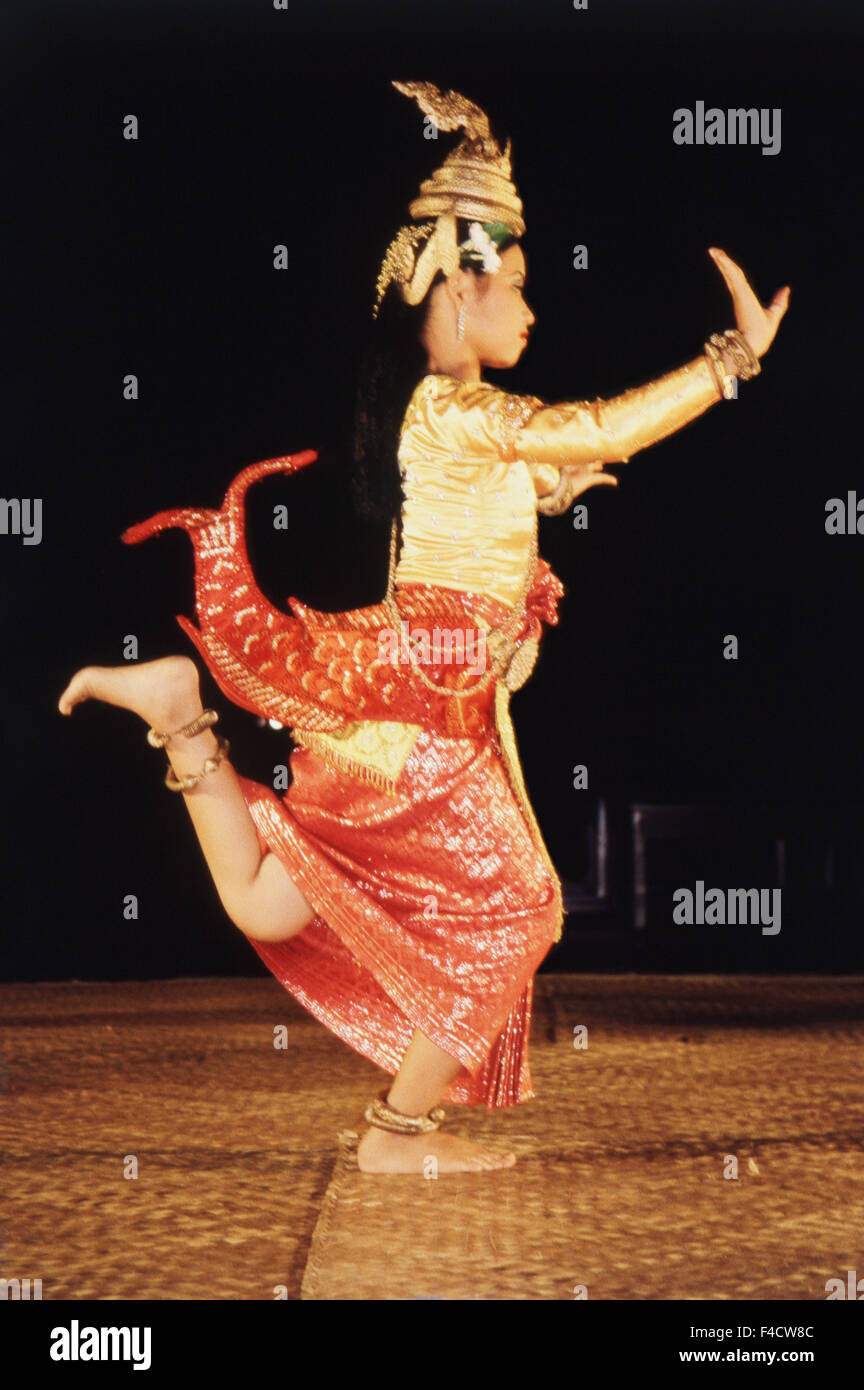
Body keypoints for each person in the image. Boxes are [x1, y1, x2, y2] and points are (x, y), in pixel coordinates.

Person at [57, 81, 790, 1175]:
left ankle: (181, 722)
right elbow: (599, 423)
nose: (534, 313)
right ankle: (399, 1132)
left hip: (418, 705)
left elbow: (489, 501)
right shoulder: (456, 407)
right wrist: (729, 363)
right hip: (429, 716)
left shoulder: (438, 417)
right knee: (526, 910)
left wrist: (549, 494)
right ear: (457, 285)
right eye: (521, 289)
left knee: (268, 902)